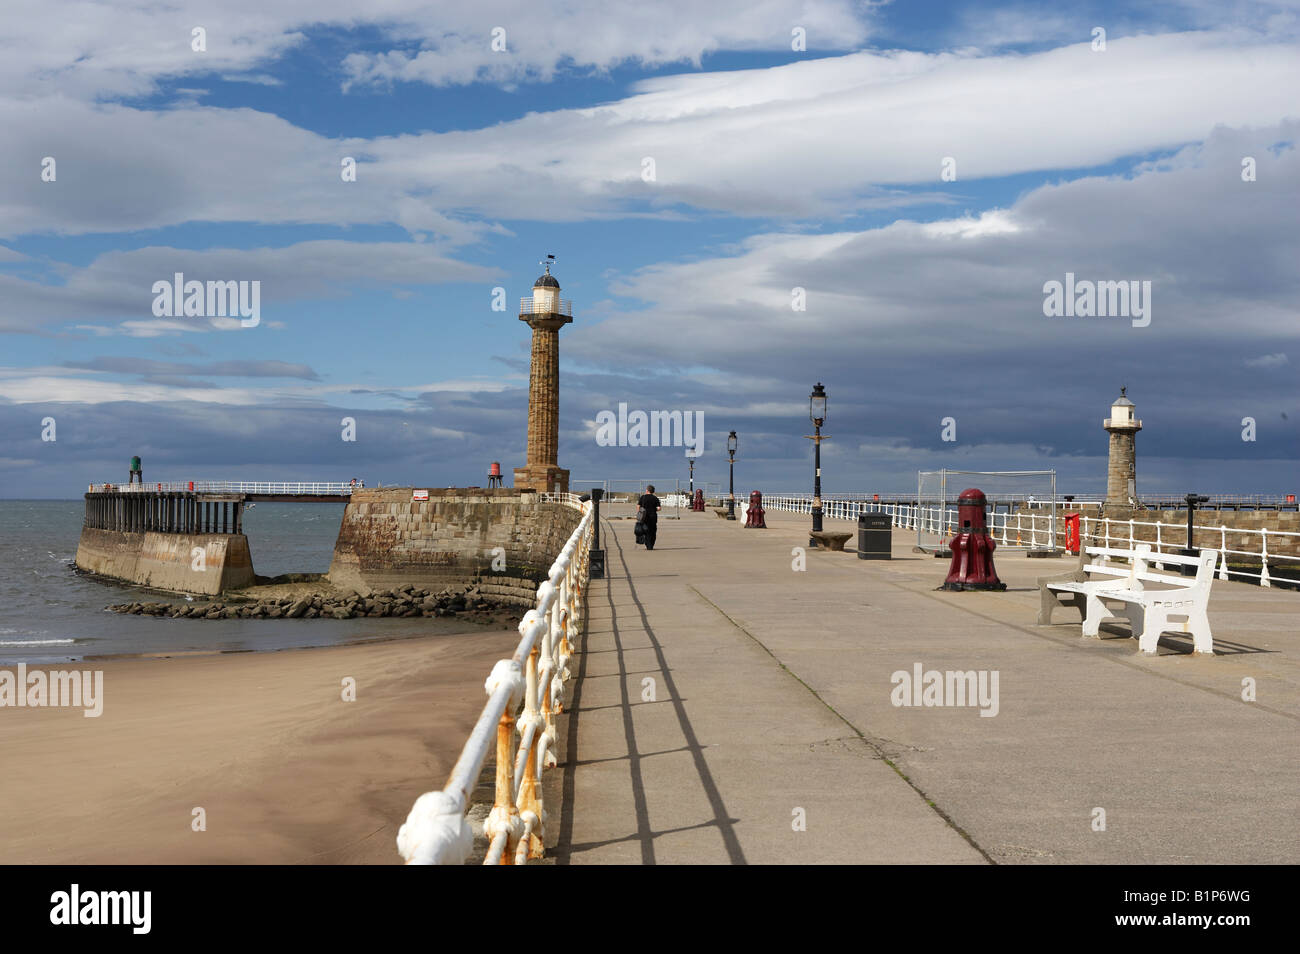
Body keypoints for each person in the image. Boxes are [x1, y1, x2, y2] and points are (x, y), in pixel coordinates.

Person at [637, 484, 662, 550]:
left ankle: (648, 544)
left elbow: (638, 507)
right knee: (653, 531)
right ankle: (651, 545)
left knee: (646, 531)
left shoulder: (643, 497)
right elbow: (659, 508)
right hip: (653, 517)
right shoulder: (655, 498)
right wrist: (654, 509)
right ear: (653, 491)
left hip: (644, 517)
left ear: (647, 490)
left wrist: (640, 512)